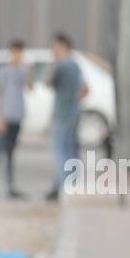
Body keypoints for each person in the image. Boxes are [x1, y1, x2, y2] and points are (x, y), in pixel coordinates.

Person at [45, 32, 87, 201]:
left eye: (54, 46)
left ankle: (65, 191)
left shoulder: (61, 66)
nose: (52, 49)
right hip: (73, 114)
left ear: (62, 46)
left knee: (60, 153)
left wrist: (53, 63)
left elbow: (48, 81)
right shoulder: (76, 65)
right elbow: (85, 89)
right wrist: (73, 100)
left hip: (61, 116)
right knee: (71, 153)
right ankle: (72, 187)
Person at [0, 39, 29, 200]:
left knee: (11, 154)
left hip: (17, 116)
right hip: (6, 116)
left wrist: (27, 69)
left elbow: (30, 87)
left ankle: (10, 186)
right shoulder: (2, 71)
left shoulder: (22, 71)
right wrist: (0, 119)